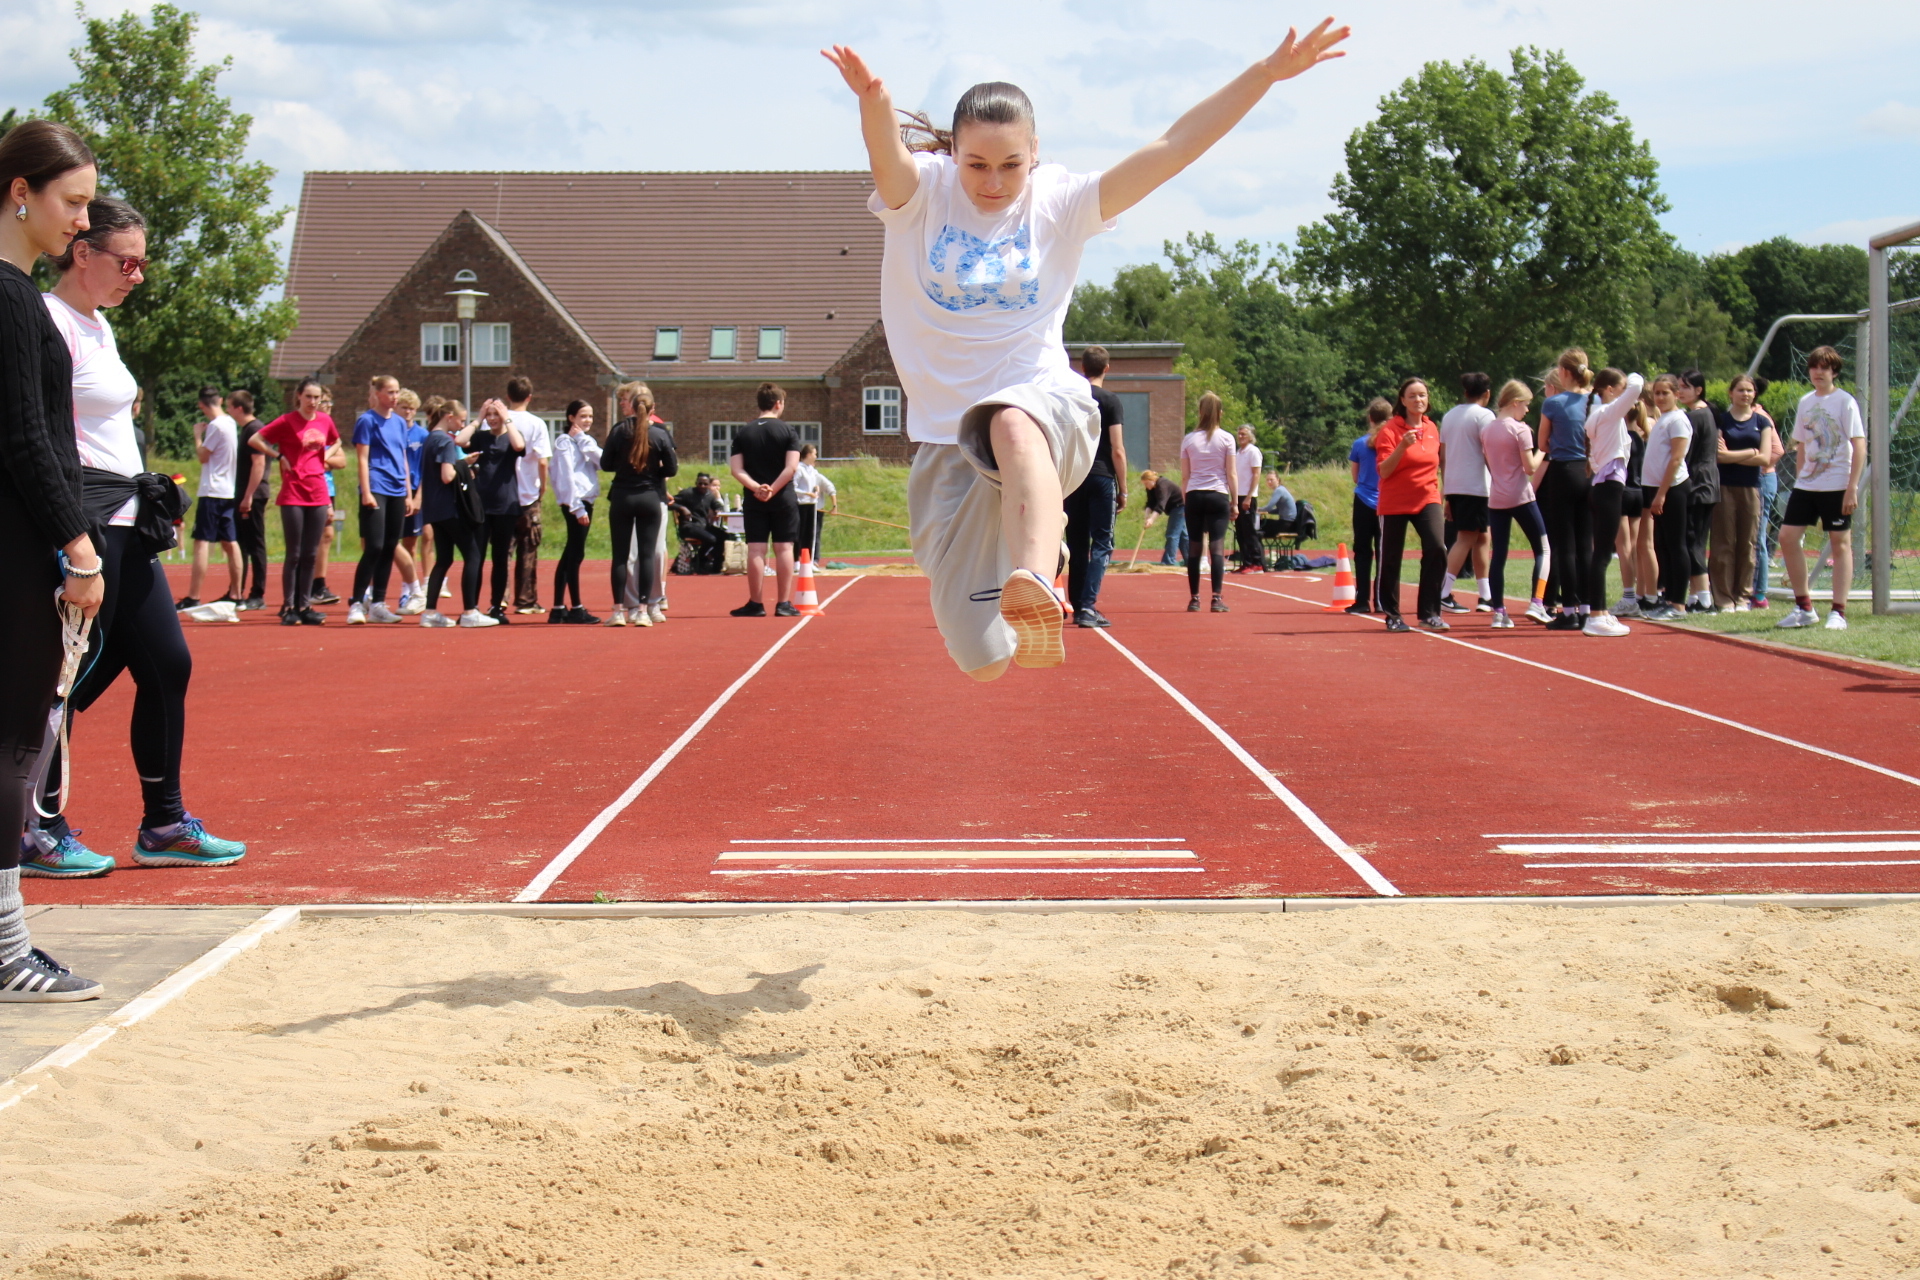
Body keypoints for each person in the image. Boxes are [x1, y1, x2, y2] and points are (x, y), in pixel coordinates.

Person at [824, 18, 1349, 678]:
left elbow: (1172, 146)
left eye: (1012, 164)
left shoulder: (1060, 202)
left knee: (1011, 421)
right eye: (977, 165)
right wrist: (874, 108)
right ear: (952, 152)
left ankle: (1040, 576)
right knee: (981, 659)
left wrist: (1263, 76)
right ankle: (1041, 559)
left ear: (1035, 152)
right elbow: (889, 162)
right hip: (945, 441)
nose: (994, 182)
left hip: (1047, 409)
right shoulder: (922, 195)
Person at [35, 192, 245, 874]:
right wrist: (73, 540)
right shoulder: (46, 320)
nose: (138, 275)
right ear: (83, 252)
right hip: (87, 529)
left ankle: (163, 823)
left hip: (129, 525)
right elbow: (35, 438)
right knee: (62, 686)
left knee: (167, 665)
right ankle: (35, 830)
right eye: (126, 262)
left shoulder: (99, 326)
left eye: (142, 262)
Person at [0, 118, 107, 995]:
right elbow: (28, 439)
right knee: (10, 744)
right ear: (20, 193)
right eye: (72, 201)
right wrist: (77, 546)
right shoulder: (8, 300)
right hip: (18, 552)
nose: (84, 219)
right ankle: (4, 950)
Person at [1777, 345, 1866, 630]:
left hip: (1837, 484)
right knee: (1788, 537)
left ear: (1834, 372)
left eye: (1824, 368)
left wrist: (1852, 487)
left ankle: (1838, 612)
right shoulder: (1805, 402)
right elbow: (1802, 443)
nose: (1818, 372)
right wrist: (1801, 478)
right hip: (1807, 485)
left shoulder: (1845, 402)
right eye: (1814, 367)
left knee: (1840, 544)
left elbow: (1859, 443)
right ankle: (1803, 607)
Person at [251, 378, 343, 624]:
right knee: (295, 553)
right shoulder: (287, 421)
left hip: (318, 492)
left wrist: (326, 456)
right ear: (299, 397)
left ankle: (305, 606)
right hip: (293, 491)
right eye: (309, 397)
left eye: (317, 398)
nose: (313, 402)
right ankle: (289, 606)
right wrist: (278, 455)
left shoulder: (325, 420)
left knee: (311, 553)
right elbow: (256, 439)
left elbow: (337, 441)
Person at [1574, 367, 1644, 637]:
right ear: (1610, 390)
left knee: (1601, 552)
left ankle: (1600, 612)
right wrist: (1634, 375)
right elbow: (1637, 388)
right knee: (1602, 554)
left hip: (1604, 487)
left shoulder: (1599, 415)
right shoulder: (1608, 412)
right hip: (1609, 487)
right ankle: (1595, 616)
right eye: (1621, 387)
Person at [416, 397, 496, 629]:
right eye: (460, 421)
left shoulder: (430, 438)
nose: (461, 426)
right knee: (472, 555)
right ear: (448, 417)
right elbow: (447, 475)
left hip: (434, 510)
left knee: (444, 558)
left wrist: (461, 465)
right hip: (449, 508)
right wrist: (465, 466)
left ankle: (430, 611)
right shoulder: (445, 441)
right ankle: (470, 611)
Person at [602, 381, 677, 627]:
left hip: (623, 496)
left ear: (632, 406)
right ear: (653, 407)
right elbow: (673, 469)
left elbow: (606, 464)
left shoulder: (619, 430)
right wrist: (654, 470)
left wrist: (624, 466)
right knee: (647, 555)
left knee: (621, 556)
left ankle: (617, 611)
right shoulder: (660, 433)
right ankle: (645, 609)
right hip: (650, 496)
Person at [1375, 377, 1446, 632]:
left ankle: (1429, 612)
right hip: (1395, 500)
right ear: (1402, 401)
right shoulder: (1391, 430)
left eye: (1423, 395)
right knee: (1391, 557)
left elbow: (1437, 463)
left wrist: (1444, 495)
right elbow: (1384, 470)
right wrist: (1402, 447)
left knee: (1437, 547)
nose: (1419, 400)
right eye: (1413, 396)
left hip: (1427, 496)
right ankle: (1392, 614)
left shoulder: (1432, 428)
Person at [728, 382, 803, 618]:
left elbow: (736, 469)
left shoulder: (743, 432)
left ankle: (756, 602)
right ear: (778, 404)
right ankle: (783, 603)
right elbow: (791, 467)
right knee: (783, 547)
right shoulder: (788, 431)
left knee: (756, 549)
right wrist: (773, 488)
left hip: (754, 498)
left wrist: (756, 488)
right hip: (782, 497)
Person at [1480, 380, 1550, 629]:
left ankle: (1498, 611)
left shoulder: (1487, 430)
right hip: (1521, 496)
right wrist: (1543, 450)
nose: (1527, 410)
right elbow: (1530, 467)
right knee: (1543, 549)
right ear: (1515, 403)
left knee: (1498, 555)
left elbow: (1490, 463)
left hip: (1497, 497)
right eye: (1526, 405)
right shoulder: (1520, 430)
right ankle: (1538, 602)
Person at [345, 374, 415, 624]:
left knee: (389, 546)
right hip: (377, 486)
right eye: (390, 392)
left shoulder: (399, 422)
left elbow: (403, 458)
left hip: (397, 489)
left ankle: (378, 604)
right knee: (373, 545)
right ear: (377, 393)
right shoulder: (367, 420)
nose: (395, 397)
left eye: (397, 392)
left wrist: (408, 493)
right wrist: (366, 492)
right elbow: (362, 458)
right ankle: (356, 603)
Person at [1065, 344, 1126, 625]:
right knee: (1102, 541)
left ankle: (1077, 604)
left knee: (1077, 544)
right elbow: (1117, 449)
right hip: (1101, 476)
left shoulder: (1069, 398)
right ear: (1106, 369)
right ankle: (1088, 605)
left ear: (1082, 367)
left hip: (1074, 476)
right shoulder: (1110, 400)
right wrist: (1123, 488)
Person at [1535, 348, 1594, 630]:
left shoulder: (1554, 403)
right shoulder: (1595, 402)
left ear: (1564, 373)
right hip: (1589, 470)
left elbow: (1543, 442)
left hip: (1563, 470)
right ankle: (1586, 608)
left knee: (1565, 546)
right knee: (1586, 544)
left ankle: (1568, 610)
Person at [1710, 373, 1777, 610]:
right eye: (1740, 390)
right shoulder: (1721, 421)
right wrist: (1750, 452)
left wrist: (1739, 456)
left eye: (1749, 390)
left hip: (1751, 489)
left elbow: (1765, 458)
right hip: (1725, 487)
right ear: (1731, 393)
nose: (1745, 394)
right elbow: (1719, 456)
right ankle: (1723, 597)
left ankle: (1742, 596)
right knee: (1723, 543)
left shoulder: (1762, 422)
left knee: (1748, 544)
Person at [179, 385, 241, 609]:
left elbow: (203, 456)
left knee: (201, 543)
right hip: (228, 490)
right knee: (230, 542)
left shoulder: (215, 426)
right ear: (221, 400)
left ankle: (194, 595)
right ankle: (236, 593)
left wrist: (197, 435)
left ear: (202, 405)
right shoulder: (231, 423)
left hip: (213, 489)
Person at [466, 395, 526, 623]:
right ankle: (471, 607)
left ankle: (497, 606)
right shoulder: (480, 437)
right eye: (489, 415)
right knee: (476, 557)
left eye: (495, 414)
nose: (492, 419)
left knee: (500, 558)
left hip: (505, 505)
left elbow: (519, 446)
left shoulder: (511, 437)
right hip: (480, 505)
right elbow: (460, 441)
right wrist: (478, 418)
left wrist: (507, 419)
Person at [1436, 372, 1493, 613]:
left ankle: (1485, 595)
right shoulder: (1485, 416)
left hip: (1458, 485)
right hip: (1476, 486)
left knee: (1482, 537)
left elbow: (1443, 456)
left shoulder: (1450, 416)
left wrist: (1447, 491)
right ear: (1487, 394)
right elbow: (1491, 451)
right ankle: (1442, 591)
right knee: (1466, 538)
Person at [1180, 391, 1238, 613]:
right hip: (1218, 494)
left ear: (1200, 412)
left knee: (1195, 548)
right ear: (1220, 413)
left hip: (1195, 493)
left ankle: (1194, 598)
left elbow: (1185, 475)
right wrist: (1234, 501)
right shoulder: (1227, 439)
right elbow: (1231, 473)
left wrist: (1187, 499)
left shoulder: (1189, 439)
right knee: (1217, 546)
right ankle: (1216, 598)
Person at [1640, 375, 1692, 620]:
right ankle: (1668, 597)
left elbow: (1676, 458)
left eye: (1665, 393)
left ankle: (1679, 603)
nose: (1660, 397)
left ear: (1677, 395)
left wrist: (1662, 494)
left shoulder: (1678, 420)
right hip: (1654, 487)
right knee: (1662, 545)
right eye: (1657, 393)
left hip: (1672, 488)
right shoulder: (1663, 419)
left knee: (1676, 544)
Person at [549, 398, 602, 625]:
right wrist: (577, 508)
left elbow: (603, 462)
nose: (587, 420)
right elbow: (565, 477)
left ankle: (558, 608)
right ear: (571, 418)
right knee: (575, 553)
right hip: (575, 502)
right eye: (583, 416)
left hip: (585, 501)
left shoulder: (585, 440)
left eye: (590, 416)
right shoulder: (563, 443)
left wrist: (583, 440)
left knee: (571, 553)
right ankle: (576, 607)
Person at [503, 377, 552, 615]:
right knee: (528, 548)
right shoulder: (537, 424)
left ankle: (499, 597)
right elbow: (542, 461)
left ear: (508, 396)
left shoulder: (499, 421)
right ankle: (526, 599)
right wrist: (543, 486)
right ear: (529, 397)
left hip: (502, 493)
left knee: (503, 549)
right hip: (528, 494)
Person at [1346, 399, 1388, 614]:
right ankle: (1381, 600)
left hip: (1364, 500)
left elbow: (1355, 476)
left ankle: (1362, 600)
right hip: (1386, 502)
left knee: (1362, 551)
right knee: (1384, 552)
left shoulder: (1360, 444)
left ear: (1370, 418)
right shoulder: (1392, 443)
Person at [1613, 388, 1652, 618]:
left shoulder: (1622, 437)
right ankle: (1640, 593)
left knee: (1624, 547)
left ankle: (1629, 594)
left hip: (1623, 491)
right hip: (1639, 491)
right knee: (1637, 547)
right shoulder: (1640, 436)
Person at [229, 388, 270, 610]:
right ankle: (238, 590)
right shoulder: (247, 429)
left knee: (255, 543)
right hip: (246, 494)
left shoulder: (254, 429)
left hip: (252, 495)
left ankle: (258, 593)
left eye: (229, 406)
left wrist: (249, 496)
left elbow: (259, 463)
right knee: (243, 544)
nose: (227, 410)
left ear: (238, 407)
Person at [392, 387, 428, 616]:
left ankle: (408, 588)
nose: (408, 412)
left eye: (412, 409)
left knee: (411, 543)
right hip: (393, 489)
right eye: (404, 407)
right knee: (387, 542)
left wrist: (417, 496)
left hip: (414, 488)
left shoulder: (422, 435)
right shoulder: (391, 431)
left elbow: (425, 469)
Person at [1750, 375, 1784, 610]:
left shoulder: (1761, 417)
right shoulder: (1737, 416)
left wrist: (1759, 465)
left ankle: (1760, 593)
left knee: (1759, 537)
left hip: (1762, 480)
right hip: (1745, 481)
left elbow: (1777, 450)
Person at [310, 388, 342, 606]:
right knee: (312, 537)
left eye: (330, 403)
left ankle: (318, 583)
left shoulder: (329, 429)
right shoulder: (311, 429)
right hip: (312, 487)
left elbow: (342, 461)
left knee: (327, 534)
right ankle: (310, 584)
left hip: (328, 488)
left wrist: (324, 461)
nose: (328, 407)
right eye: (325, 402)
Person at [793, 442, 838, 564]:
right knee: (799, 533)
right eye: (814, 454)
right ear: (808, 454)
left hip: (812, 505)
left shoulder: (812, 470)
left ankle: (810, 560)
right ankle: (796, 561)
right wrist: (807, 493)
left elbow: (815, 484)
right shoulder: (799, 468)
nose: (816, 456)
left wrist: (816, 489)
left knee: (811, 534)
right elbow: (793, 487)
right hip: (801, 505)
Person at [1231, 425, 1263, 572]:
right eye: (1239, 434)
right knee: (1240, 531)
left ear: (1250, 436)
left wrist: (1249, 496)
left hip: (1248, 495)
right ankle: (1246, 561)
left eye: (1243, 434)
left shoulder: (1253, 452)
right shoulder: (1238, 453)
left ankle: (1256, 562)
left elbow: (1256, 474)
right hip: (1238, 494)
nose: (1241, 437)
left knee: (1249, 531)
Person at [1139, 469, 1185, 566]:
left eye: (1147, 483)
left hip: (1180, 507)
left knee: (1172, 535)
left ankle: (1168, 562)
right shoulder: (1151, 488)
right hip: (1174, 508)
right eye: (1144, 484)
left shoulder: (1162, 485)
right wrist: (1146, 516)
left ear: (1152, 479)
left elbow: (1161, 505)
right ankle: (1191, 560)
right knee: (1183, 536)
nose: (1146, 486)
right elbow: (1151, 503)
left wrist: (1152, 519)